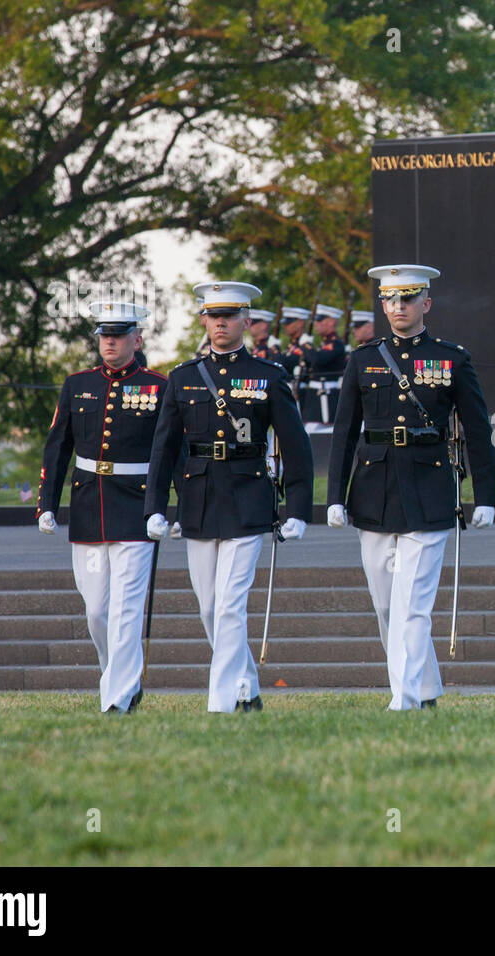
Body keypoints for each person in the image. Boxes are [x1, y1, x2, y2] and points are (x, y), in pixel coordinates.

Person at [325, 264, 495, 711]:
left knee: (412, 606)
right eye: (391, 299)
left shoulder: (451, 358)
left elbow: (478, 431)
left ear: (426, 303)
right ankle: (425, 688)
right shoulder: (363, 359)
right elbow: (345, 433)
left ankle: (403, 700)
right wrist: (334, 497)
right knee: (386, 605)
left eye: (408, 298)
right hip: (373, 489)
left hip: (429, 488)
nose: (399, 307)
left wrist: (487, 497)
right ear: (382, 305)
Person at [145, 281, 314, 713]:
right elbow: (164, 448)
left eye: (231, 315)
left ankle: (219, 703)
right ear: (204, 320)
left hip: (248, 497)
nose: (221, 322)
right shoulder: (182, 378)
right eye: (214, 315)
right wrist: (155, 508)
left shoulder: (268, 376)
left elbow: (296, 447)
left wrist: (297, 508)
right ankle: (247, 690)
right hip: (199, 498)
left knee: (229, 606)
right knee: (209, 608)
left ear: (245, 321)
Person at [35, 300, 165, 715]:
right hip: (89, 505)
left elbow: (170, 451)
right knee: (96, 612)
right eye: (104, 336)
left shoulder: (158, 386)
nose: (110, 342)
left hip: (136, 506)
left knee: (126, 609)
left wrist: (166, 506)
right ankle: (120, 676)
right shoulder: (77, 385)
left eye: (119, 335)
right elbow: (58, 449)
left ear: (136, 339)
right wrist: (46, 504)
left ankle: (117, 697)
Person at [301, 305, 348, 428]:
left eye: (320, 320)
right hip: (314, 397)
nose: (316, 324)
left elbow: (318, 360)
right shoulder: (324, 344)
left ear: (331, 322)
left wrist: (306, 346)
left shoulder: (335, 344)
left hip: (326, 398)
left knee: (323, 433)